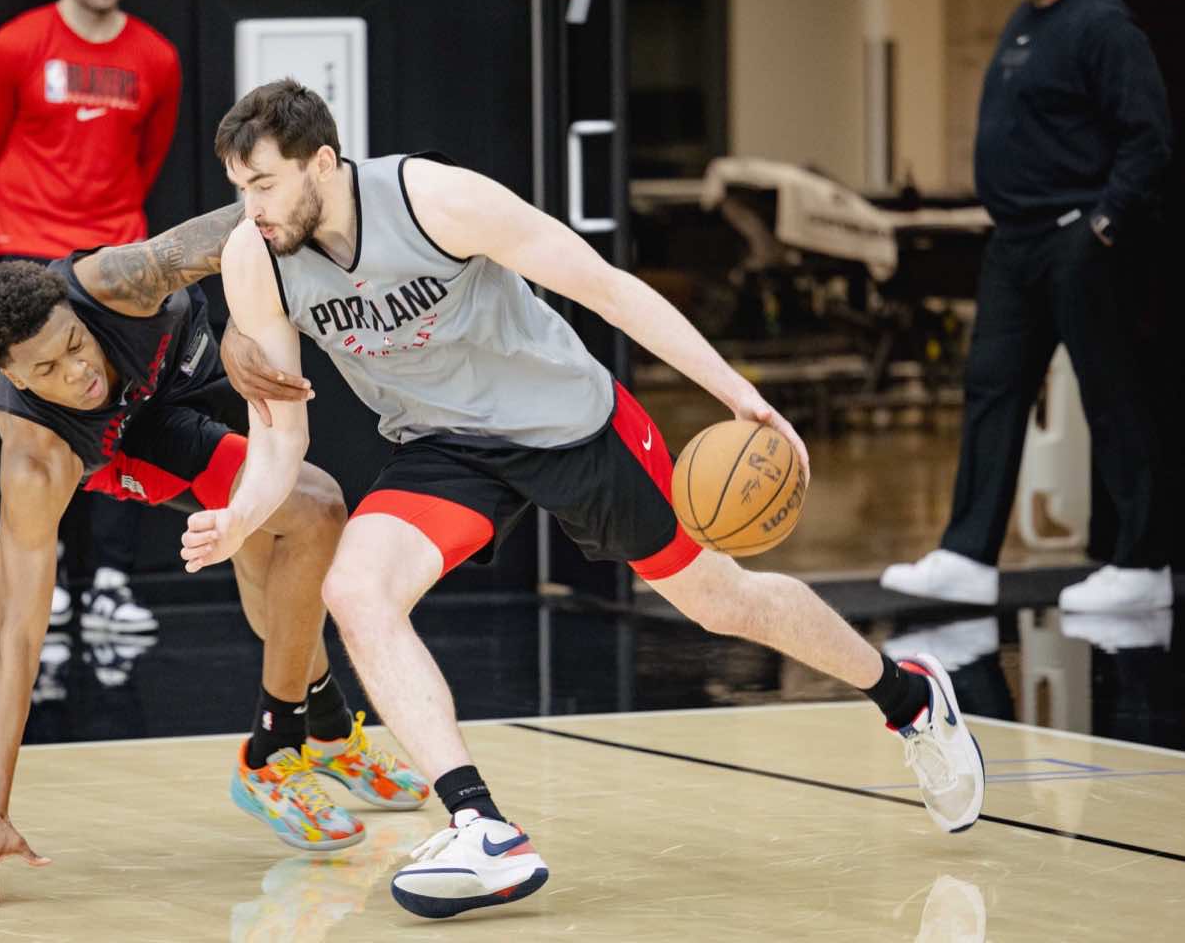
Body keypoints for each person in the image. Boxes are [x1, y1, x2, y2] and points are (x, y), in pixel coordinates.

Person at [182, 80, 986, 920]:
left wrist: (737, 394)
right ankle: (480, 827)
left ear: (322, 162)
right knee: (356, 590)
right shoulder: (255, 258)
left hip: (568, 425)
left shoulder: (435, 200)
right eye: (240, 187)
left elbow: (608, 288)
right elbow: (281, 434)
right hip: (443, 445)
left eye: (264, 184)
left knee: (721, 601)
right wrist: (242, 514)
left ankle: (909, 697)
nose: (251, 207)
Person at [0, 203, 429, 909]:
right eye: (47, 368)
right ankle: (272, 751)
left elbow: (251, 222)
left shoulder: (118, 282)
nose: (79, 371)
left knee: (277, 579)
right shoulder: (34, 460)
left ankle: (327, 731)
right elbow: (17, 644)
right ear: (15, 379)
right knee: (317, 508)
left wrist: (356, 221)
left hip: (201, 369)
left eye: (74, 344)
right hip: (139, 439)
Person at [881, 0, 1173, 614]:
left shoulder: (1103, 25)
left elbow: (1148, 138)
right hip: (1014, 244)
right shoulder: (1025, 22)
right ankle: (967, 556)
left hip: (1077, 239)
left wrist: (1102, 225)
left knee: (1112, 396)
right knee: (991, 389)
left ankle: (1142, 565)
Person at [0, 0, 182, 634]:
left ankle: (112, 581)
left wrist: (111, 232)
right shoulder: (13, 46)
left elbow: (150, 156)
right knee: (34, 419)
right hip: (26, 245)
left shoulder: (155, 57)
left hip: (113, 254)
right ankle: (44, 577)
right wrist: (10, 236)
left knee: (125, 406)